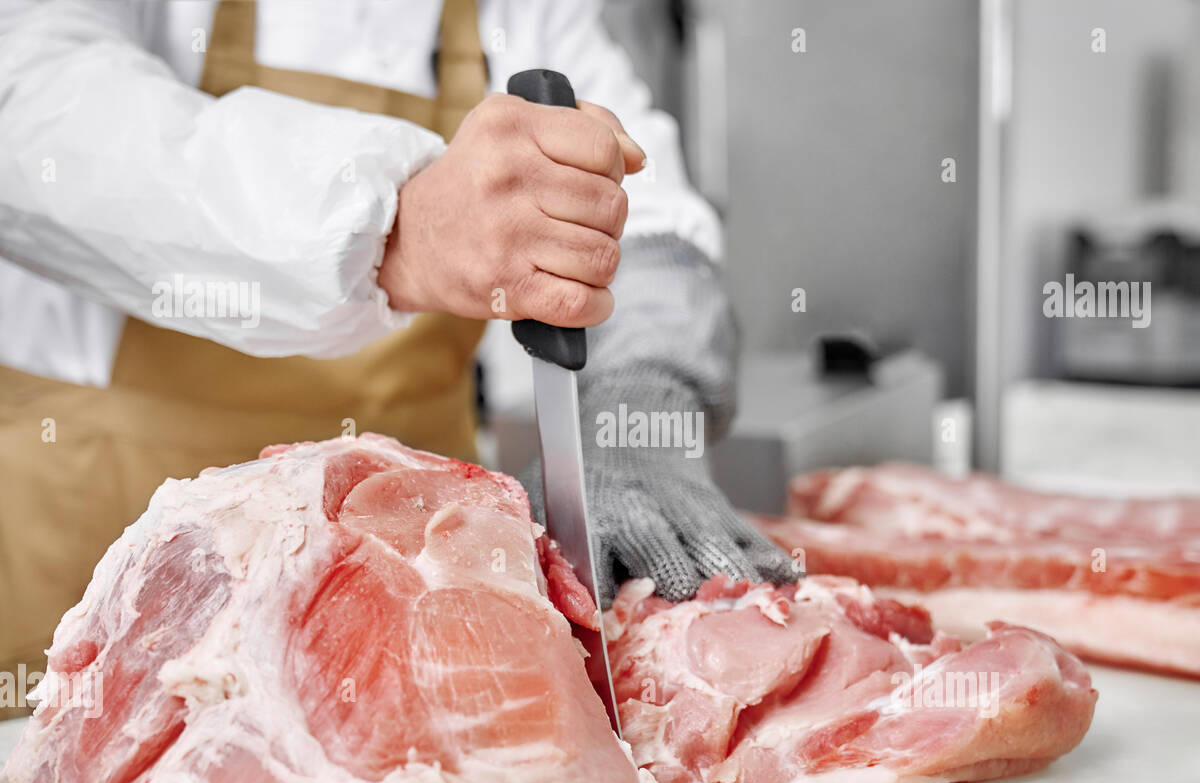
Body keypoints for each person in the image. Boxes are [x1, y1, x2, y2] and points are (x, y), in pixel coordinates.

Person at [0, 0, 795, 692]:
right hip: (110, 587)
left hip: (415, 600)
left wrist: (637, 397)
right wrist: (395, 227)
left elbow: (637, 213)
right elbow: (29, 102)